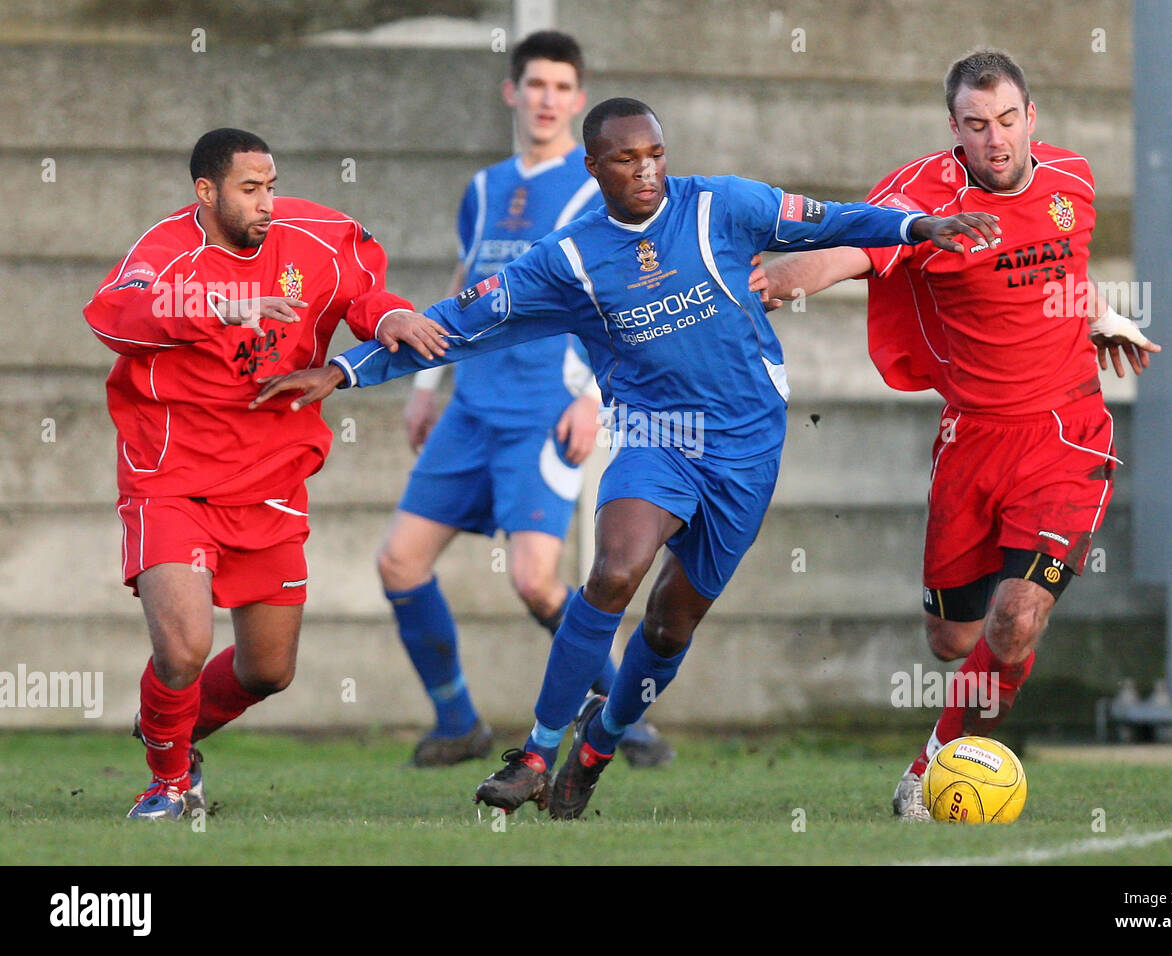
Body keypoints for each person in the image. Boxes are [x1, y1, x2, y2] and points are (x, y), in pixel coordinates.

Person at [252, 97, 998, 819]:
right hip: (656, 436)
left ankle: (598, 743)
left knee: (670, 628)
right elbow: (458, 323)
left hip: (747, 444)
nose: (646, 171)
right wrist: (346, 372)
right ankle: (537, 756)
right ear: (594, 167)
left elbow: (829, 219)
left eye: (655, 154)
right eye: (625, 159)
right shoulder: (570, 257)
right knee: (613, 571)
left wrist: (916, 224)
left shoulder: (721, 206)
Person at [760, 49, 1161, 820]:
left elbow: (1065, 270)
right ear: (955, 129)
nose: (996, 139)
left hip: (1068, 434)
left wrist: (1103, 317)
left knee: (1015, 619)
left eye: (1009, 120)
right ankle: (995, 672)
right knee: (952, 639)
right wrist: (789, 275)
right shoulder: (926, 201)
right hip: (972, 440)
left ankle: (932, 765)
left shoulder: (1073, 180)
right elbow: (856, 249)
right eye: (977, 125)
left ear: (1031, 117)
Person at [85, 127, 442, 819]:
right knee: (184, 650)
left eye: (271, 186)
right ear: (207, 192)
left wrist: (392, 314)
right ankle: (167, 781)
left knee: (268, 671)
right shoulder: (166, 253)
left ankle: (168, 725)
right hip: (172, 477)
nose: (267, 202)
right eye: (250, 190)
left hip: (272, 481)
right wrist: (216, 306)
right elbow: (114, 317)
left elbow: (363, 294)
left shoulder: (315, 236)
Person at [379, 31, 671, 769]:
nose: (546, 99)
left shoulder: (594, 184)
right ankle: (458, 724)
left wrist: (591, 399)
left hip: (546, 409)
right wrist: (426, 384)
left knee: (535, 581)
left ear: (578, 99)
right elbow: (462, 284)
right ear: (513, 92)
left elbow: (629, 294)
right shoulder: (482, 188)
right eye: (534, 85)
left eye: (561, 88)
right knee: (399, 564)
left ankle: (625, 722)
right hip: (471, 407)